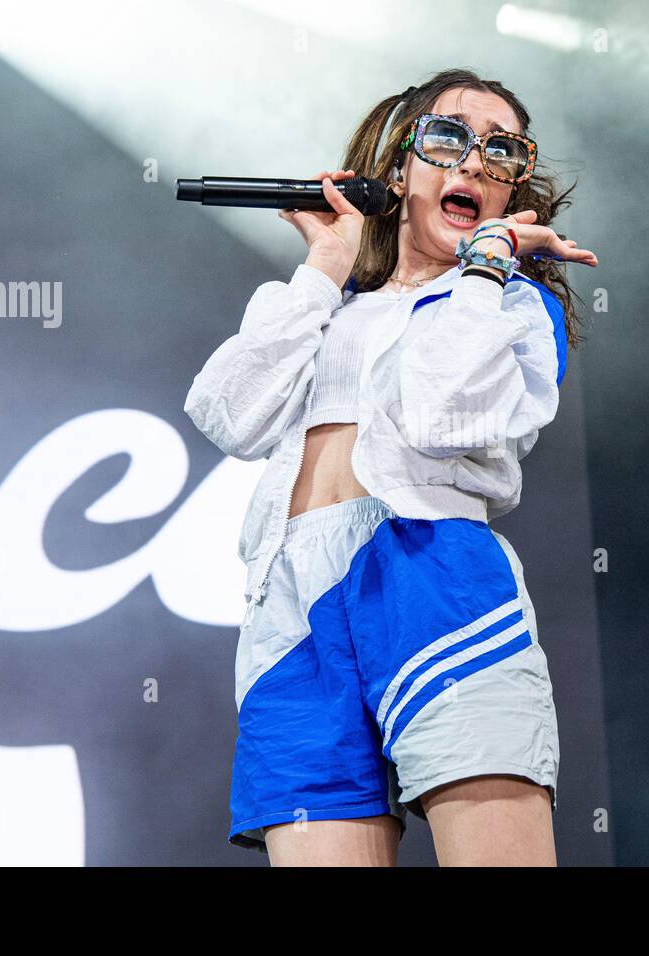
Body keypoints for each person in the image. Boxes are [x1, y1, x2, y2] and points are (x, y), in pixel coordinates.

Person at [184, 68, 598, 866]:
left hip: (433, 580)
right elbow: (228, 415)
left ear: (515, 190)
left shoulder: (511, 306)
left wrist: (488, 262)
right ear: (399, 168)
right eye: (449, 137)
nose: (474, 162)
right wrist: (325, 266)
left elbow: (440, 415)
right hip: (293, 615)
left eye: (502, 150)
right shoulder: (334, 307)